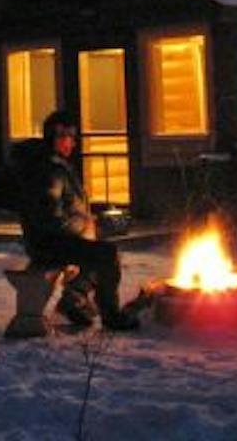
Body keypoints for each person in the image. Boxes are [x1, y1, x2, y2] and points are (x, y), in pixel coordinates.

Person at [17, 110, 139, 331]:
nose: (73, 142)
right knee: (106, 254)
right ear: (58, 137)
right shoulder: (49, 171)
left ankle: (73, 301)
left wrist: (91, 224)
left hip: (56, 240)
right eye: (70, 137)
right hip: (48, 244)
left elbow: (68, 208)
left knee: (97, 250)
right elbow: (49, 216)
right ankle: (111, 315)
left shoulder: (58, 166)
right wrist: (81, 229)